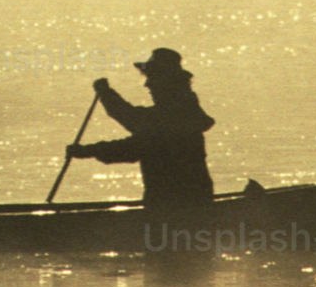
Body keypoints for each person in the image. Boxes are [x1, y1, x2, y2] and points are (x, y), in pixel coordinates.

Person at [67, 47, 216, 210]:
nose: (147, 84)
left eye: (152, 78)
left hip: (170, 206)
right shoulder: (185, 113)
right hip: (196, 200)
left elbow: (133, 145)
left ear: (166, 83)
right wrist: (106, 94)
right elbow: (132, 119)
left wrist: (87, 151)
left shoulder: (173, 117)